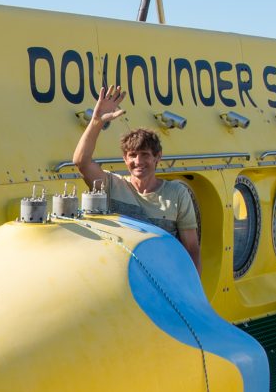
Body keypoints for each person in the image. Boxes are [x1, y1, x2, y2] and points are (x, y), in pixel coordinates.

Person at [73, 84, 200, 267]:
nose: (138, 161)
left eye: (145, 155)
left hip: (161, 280)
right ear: (125, 158)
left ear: (158, 157)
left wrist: (192, 291)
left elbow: (192, 248)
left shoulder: (177, 194)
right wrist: (96, 122)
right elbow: (82, 162)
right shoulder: (112, 185)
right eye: (132, 155)